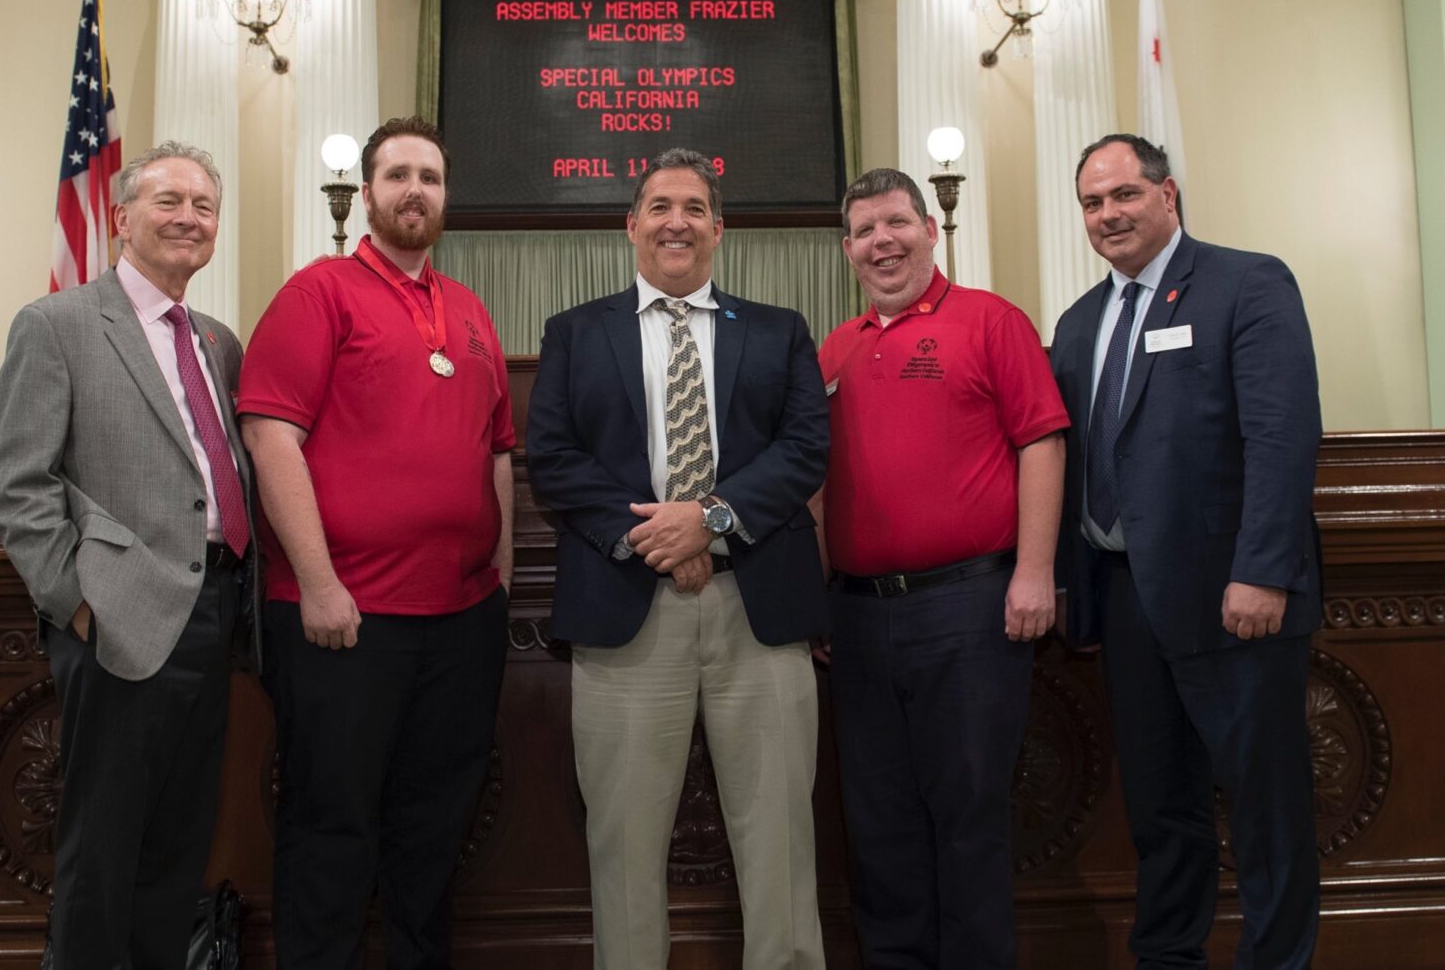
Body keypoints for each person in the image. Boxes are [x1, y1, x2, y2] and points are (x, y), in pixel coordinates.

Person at [527, 147, 830, 970]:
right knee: (623, 842)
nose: (677, 222)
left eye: (695, 208)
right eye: (660, 206)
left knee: (779, 838)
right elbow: (553, 458)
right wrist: (655, 537)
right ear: (631, 226)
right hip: (626, 611)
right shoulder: (574, 332)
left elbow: (805, 448)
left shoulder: (779, 330)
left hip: (758, 612)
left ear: (718, 229)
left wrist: (712, 518)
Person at [237, 117, 514, 969]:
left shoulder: (469, 309)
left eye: (430, 177)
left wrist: (498, 585)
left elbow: (497, 452)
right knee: (332, 828)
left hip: (460, 622)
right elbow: (270, 437)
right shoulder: (317, 292)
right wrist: (319, 582)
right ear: (365, 195)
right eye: (397, 175)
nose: (414, 190)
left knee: (434, 831)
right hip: (344, 619)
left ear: (446, 197)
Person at [1052, 133, 1323, 970]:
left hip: (1232, 597)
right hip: (1125, 598)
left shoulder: (1248, 283)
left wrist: (1262, 570)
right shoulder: (1079, 322)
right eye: (1092, 202)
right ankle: (1168, 957)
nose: (1108, 214)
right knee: (1160, 807)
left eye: (1124, 194)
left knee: (1265, 806)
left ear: (1167, 195)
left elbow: (1281, 436)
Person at [0, 142, 255, 970]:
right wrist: (78, 602)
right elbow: (19, 487)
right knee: (102, 850)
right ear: (120, 216)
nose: (188, 218)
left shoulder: (217, 341)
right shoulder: (56, 324)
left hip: (216, 612)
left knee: (178, 846)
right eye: (169, 200)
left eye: (204, 206)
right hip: (115, 619)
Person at [812, 167, 1067, 969]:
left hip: (970, 608)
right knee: (878, 822)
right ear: (847, 249)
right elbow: (814, 484)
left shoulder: (992, 321)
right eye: (864, 230)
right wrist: (820, 597)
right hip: (859, 617)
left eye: (896, 223)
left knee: (968, 815)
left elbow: (1042, 442)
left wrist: (1034, 571)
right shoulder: (835, 348)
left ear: (929, 229)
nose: (881, 241)